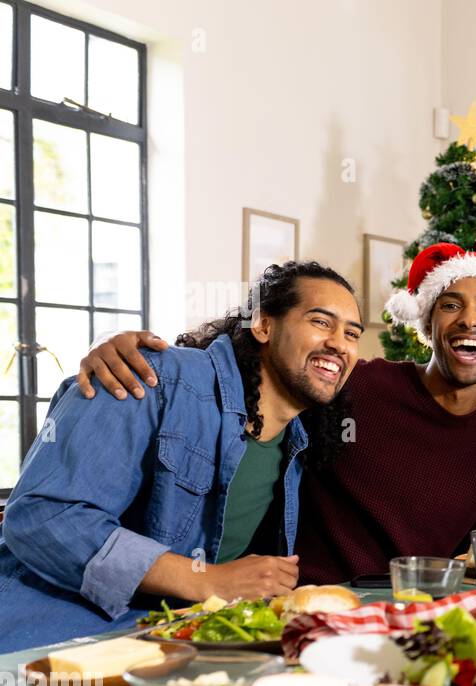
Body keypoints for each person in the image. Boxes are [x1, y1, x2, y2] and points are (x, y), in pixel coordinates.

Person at [76, 243, 476, 584]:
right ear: (427, 323)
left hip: (404, 616)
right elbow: (251, 371)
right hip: (292, 600)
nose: (470, 320)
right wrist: (123, 346)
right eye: (450, 305)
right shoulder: (350, 382)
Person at [0, 262, 361, 651]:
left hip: (169, 643)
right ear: (263, 326)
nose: (339, 343)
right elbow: (42, 516)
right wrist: (206, 579)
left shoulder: (300, 438)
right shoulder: (146, 375)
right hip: (48, 638)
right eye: (321, 322)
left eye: (352, 333)